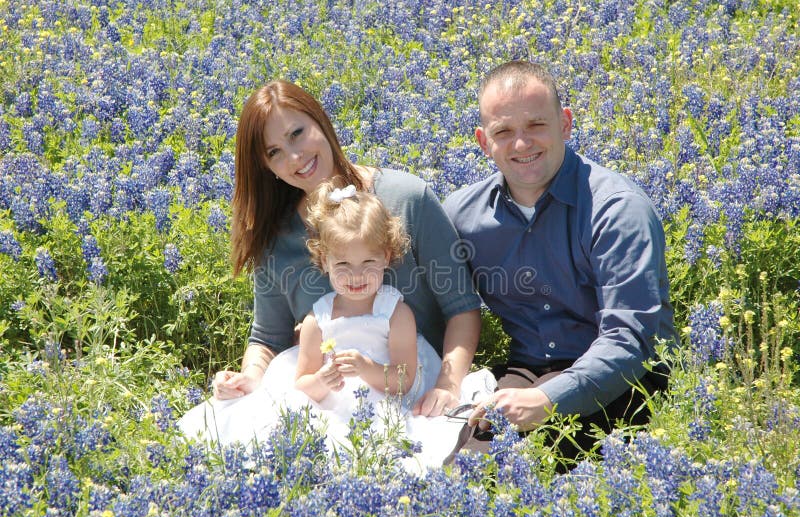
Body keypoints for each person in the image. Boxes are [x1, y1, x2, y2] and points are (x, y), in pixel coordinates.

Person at [179, 79, 481, 448]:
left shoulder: (405, 198)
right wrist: (248, 378)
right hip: (324, 395)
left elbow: (462, 308)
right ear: (265, 167)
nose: (294, 157)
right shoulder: (276, 238)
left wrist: (448, 388)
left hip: (411, 392)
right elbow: (267, 338)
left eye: (297, 133)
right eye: (274, 152)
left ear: (321, 121)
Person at [442, 61, 676, 463]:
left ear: (565, 124)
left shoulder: (617, 210)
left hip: (624, 375)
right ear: (484, 142)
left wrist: (547, 400)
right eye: (503, 132)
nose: (521, 144)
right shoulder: (463, 215)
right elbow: (428, 301)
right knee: (461, 466)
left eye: (536, 125)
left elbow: (630, 339)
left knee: (538, 468)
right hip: (525, 371)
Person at [294, 178, 442, 408]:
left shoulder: (395, 313)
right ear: (325, 262)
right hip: (333, 411)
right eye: (342, 264)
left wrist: (366, 368)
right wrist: (321, 381)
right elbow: (302, 384)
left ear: (385, 257)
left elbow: (404, 381)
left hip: (386, 408)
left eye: (368, 261)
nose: (357, 275)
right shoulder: (317, 320)